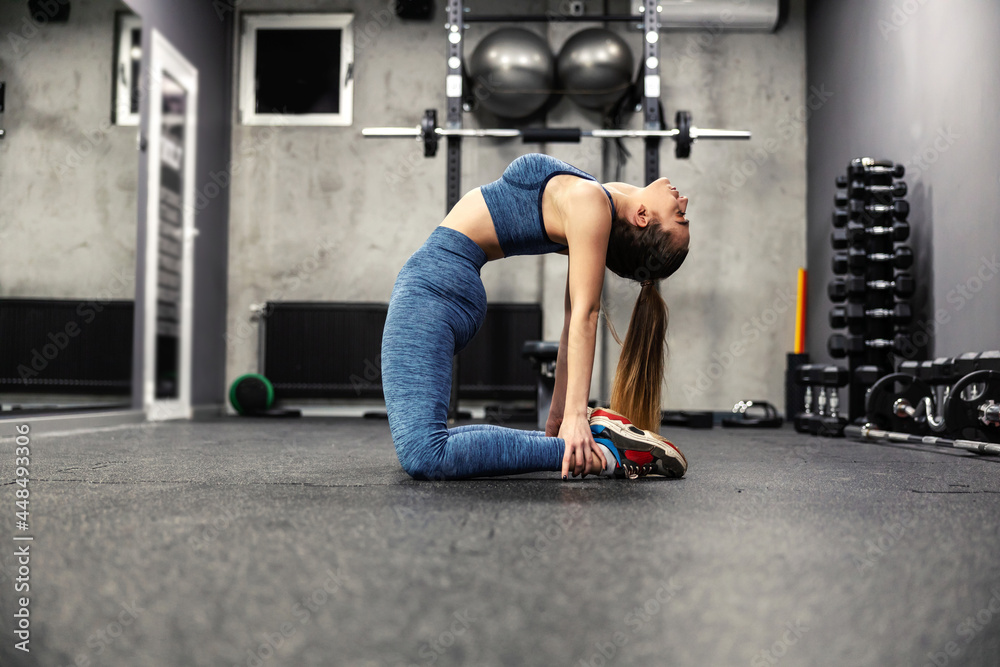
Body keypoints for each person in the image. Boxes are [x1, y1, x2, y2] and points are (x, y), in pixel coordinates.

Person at [381, 153, 690, 481]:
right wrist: (562, 415)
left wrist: (571, 416)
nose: (682, 201)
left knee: (424, 454)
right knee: (429, 446)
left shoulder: (591, 202)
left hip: (434, 289)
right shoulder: (601, 202)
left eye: (681, 217)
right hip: (442, 286)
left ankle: (606, 455)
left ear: (643, 216)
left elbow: (582, 314)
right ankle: (592, 445)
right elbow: (573, 316)